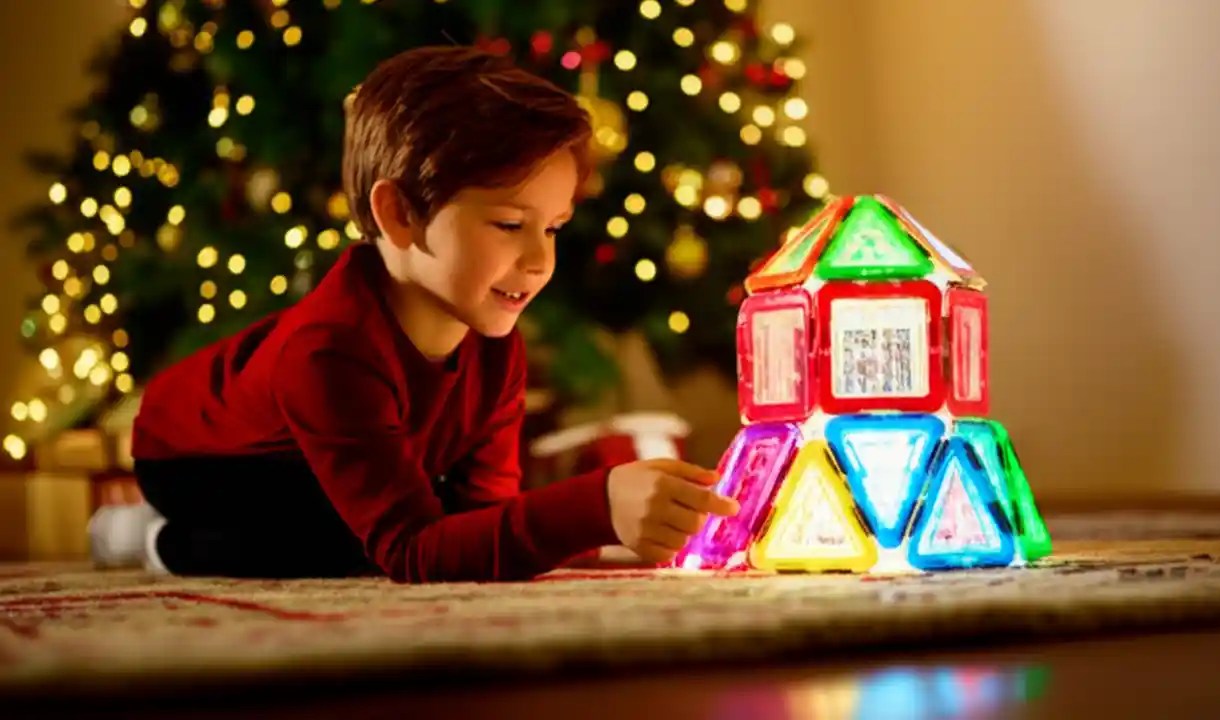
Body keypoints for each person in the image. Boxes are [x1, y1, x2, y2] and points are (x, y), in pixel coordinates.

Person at [92, 46, 738, 582]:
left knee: (440, 527)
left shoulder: (493, 338)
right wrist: (594, 506)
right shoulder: (330, 348)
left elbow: (485, 518)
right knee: (354, 550)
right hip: (206, 462)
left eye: (556, 228)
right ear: (399, 214)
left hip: (321, 453)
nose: (541, 260)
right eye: (510, 223)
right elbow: (413, 551)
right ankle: (151, 538)